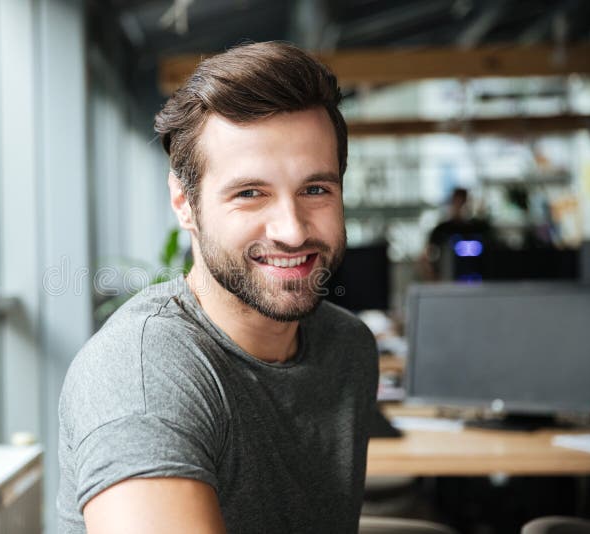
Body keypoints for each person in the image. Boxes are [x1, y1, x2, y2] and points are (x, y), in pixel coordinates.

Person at [57, 41, 379, 533]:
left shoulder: (348, 348)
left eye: (316, 189)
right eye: (250, 193)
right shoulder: (144, 374)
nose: (291, 230)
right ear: (184, 203)